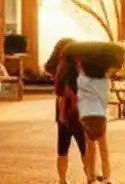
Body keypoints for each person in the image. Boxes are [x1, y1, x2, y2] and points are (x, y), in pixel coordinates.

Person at [47, 38, 86, 184]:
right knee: (84, 147)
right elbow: (70, 94)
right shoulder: (74, 71)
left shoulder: (58, 71)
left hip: (62, 115)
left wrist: (61, 115)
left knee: (62, 148)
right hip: (75, 114)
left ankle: (62, 180)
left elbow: (59, 96)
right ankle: (90, 177)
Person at [75, 53, 117, 184]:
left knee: (90, 147)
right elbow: (106, 96)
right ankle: (106, 176)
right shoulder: (102, 80)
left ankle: (90, 176)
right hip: (99, 114)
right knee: (103, 147)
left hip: (86, 114)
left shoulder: (82, 79)